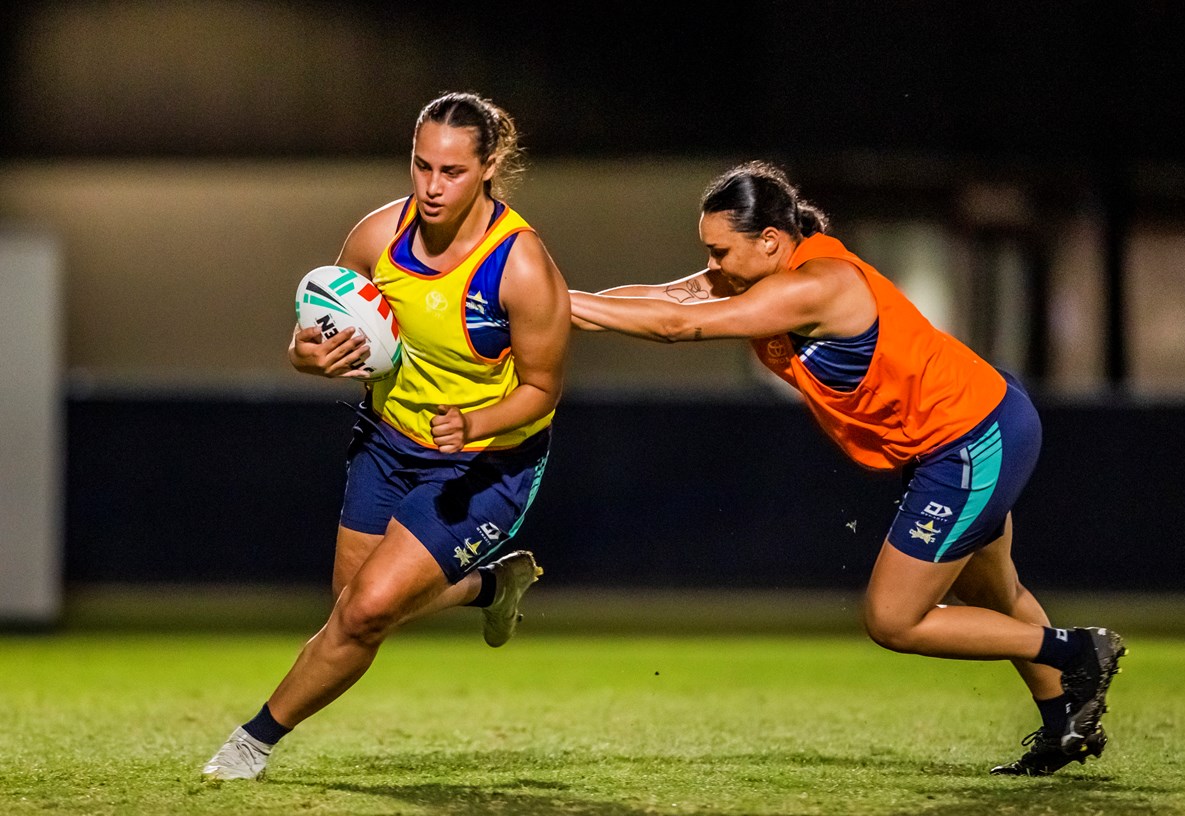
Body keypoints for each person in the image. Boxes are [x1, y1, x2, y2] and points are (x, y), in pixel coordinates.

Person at [568, 160, 1126, 776]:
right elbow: (662, 297)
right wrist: (552, 303)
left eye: (720, 251)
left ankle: (1077, 651)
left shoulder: (815, 285)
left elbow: (676, 324)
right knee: (995, 591)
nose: (712, 266)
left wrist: (547, 308)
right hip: (970, 425)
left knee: (893, 618)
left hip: (972, 437)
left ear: (772, 241)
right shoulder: (758, 275)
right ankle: (1065, 725)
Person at [202, 91, 571, 781]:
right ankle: (486, 589)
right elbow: (314, 330)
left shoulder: (520, 267)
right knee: (354, 608)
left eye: (452, 172)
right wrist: (305, 356)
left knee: (369, 609)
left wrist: (477, 423)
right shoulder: (377, 237)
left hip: (483, 465)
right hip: (386, 441)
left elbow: (543, 391)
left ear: (488, 166)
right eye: (421, 165)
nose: (431, 187)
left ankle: (249, 744)